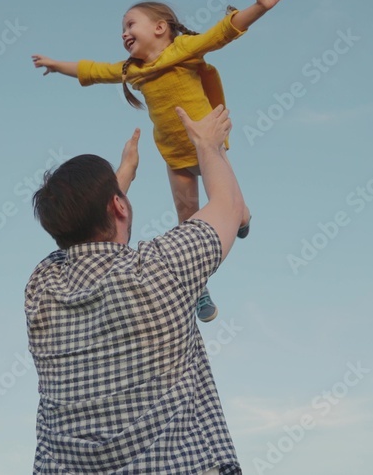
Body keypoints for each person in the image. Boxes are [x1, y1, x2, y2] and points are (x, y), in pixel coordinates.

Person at [31, 0, 290, 322]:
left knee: (232, 205)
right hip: (174, 155)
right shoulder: (132, 71)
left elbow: (221, 33)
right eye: (121, 28)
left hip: (206, 145)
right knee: (187, 217)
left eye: (130, 24)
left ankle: (242, 217)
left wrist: (260, 7)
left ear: (160, 27)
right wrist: (56, 65)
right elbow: (92, 70)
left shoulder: (182, 49)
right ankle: (200, 288)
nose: (124, 33)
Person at [25, 104, 246, 475]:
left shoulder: (41, 290)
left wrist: (119, 181)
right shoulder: (162, 268)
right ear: (118, 206)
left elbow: (80, 234)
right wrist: (208, 146)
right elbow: (229, 206)